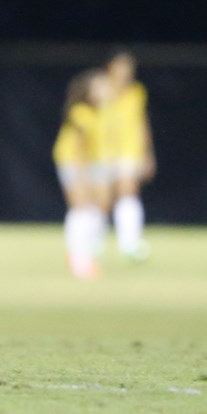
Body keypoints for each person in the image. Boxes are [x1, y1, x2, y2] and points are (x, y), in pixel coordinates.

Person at [54, 69, 111, 279]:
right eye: (100, 87)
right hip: (73, 163)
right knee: (81, 208)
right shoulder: (81, 113)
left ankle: (85, 255)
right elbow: (78, 149)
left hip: (88, 164)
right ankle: (77, 258)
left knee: (95, 209)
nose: (106, 90)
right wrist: (82, 177)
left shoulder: (99, 112)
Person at [101, 49, 155, 262]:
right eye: (120, 67)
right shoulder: (100, 90)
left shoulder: (136, 92)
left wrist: (147, 153)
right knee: (102, 200)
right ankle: (95, 241)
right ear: (110, 69)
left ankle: (130, 242)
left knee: (128, 192)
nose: (124, 72)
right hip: (102, 150)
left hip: (128, 150)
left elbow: (142, 123)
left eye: (128, 68)